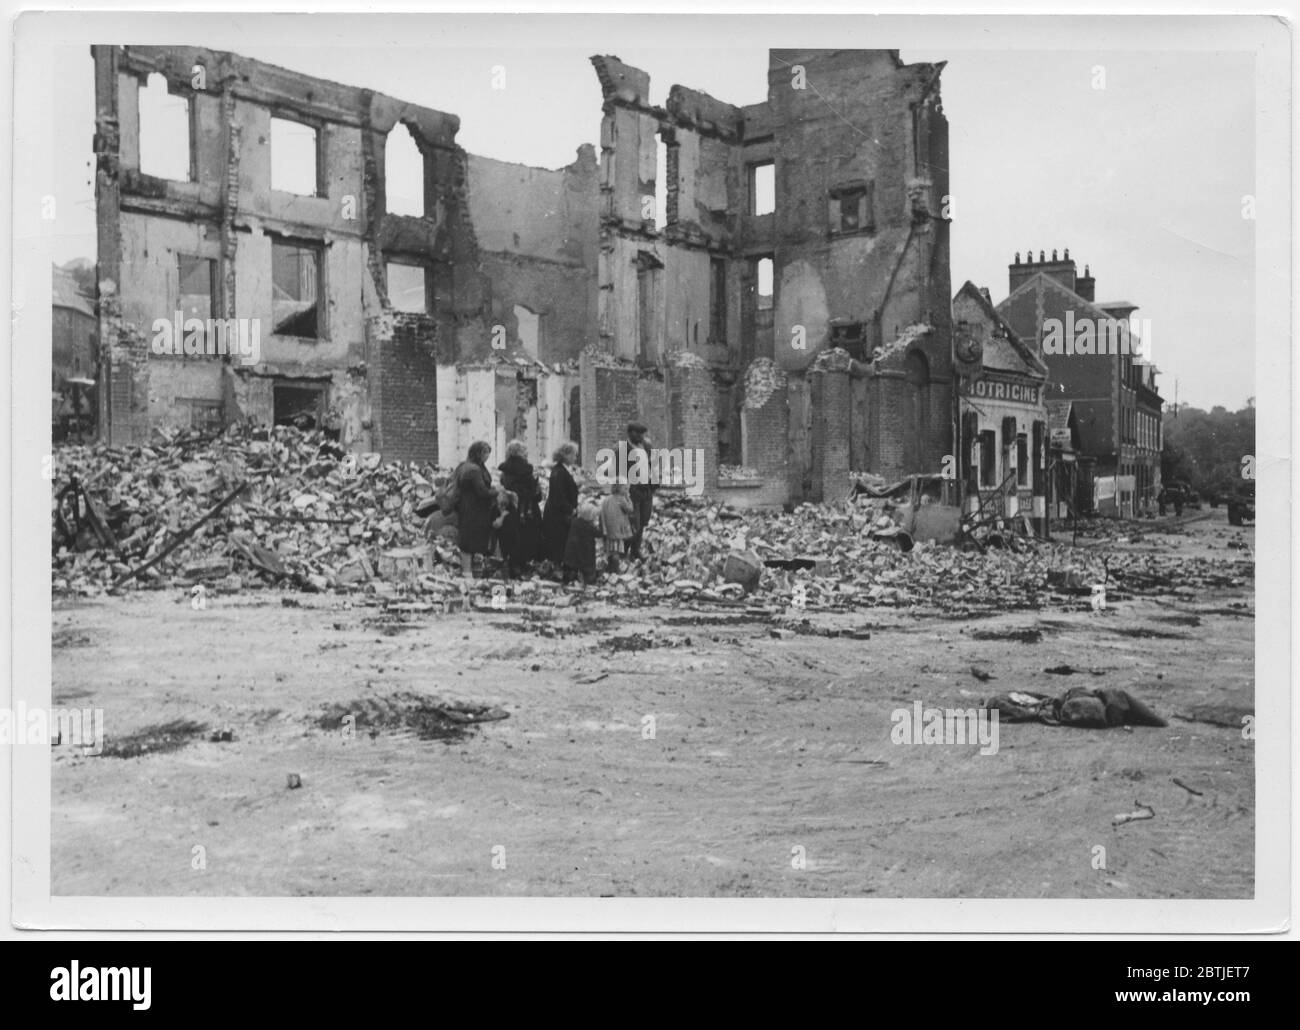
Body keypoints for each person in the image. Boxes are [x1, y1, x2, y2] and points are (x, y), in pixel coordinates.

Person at [497, 439, 543, 579]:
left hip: (511, 509)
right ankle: (522, 566)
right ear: (518, 452)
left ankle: (512, 565)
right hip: (527, 509)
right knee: (527, 537)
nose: (526, 453)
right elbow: (532, 492)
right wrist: (536, 492)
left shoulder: (505, 471)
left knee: (512, 538)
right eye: (524, 450)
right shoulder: (526, 469)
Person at [454, 441, 495, 578]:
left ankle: (470, 573)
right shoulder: (474, 469)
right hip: (475, 510)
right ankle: (470, 574)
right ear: (478, 453)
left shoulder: (465, 466)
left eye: (488, 453)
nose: (487, 456)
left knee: (468, 542)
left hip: (467, 508)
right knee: (471, 542)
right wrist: (496, 492)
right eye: (485, 453)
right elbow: (482, 491)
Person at [542, 441, 580, 567]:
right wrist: (571, 509)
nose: (575, 458)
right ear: (566, 455)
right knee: (558, 543)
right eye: (574, 455)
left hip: (557, 513)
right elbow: (559, 496)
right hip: (558, 515)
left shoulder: (560, 470)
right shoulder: (559, 471)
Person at [625, 421, 658, 560]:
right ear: (631, 433)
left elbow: (651, 465)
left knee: (644, 520)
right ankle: (625, 550)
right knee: (634, 522)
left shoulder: (646, 446)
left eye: (642, 434)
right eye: (638, 434)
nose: (641, 437)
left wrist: (654, 483)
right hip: (633, 490)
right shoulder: (623, 449)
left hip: (646, 489)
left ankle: (635, 550)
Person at [563, 502, 602, 586]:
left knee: (573, 567)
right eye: (594, 516)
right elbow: (599, 534)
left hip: (572, 551)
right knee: (588, 571)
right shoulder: (588, 527)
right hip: (585, 553)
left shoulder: (575, 522)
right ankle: (589, 582)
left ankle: (572, 580)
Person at [600, 480, 634, 574]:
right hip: (618, 529)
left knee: (610, 549)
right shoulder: (621, 499)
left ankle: (609, 568)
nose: (627, 490)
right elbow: (630, 509)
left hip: (608, 528)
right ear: (619, 488)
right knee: (616, 550)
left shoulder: (607, 499)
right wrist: (628, 498)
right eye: (625, 488)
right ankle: (616, 570)